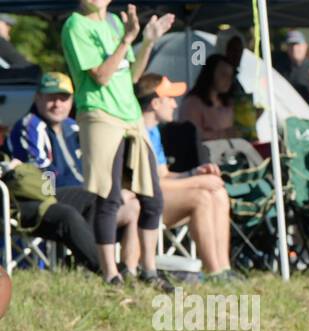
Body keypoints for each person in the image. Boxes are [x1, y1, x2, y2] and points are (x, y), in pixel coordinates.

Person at [61, 0, 173, 288]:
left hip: (131, 116)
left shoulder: (112, 21)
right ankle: (111, 274)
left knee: (153, 198)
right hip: (100, 115)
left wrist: (147, 42)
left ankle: (149, 271)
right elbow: (101, 75)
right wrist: (126, 40)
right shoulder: (76, 25)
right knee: (109, 198)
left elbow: (132, 76)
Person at [5, 70, 141, 274]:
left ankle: (132, 269)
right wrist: (62, 193)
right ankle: (106, 270)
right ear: (38, 97)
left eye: (63, 98)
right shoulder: (31, 125)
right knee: (89, 203)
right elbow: (42, 172)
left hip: (75, 193)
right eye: (51, 97)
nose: (57, 104)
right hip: (37, 196)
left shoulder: (73, 126)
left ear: (72, 100)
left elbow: (93, 164)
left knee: (128, 205)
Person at [137, 74, 233, 279]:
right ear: (155, 103)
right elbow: (151, 185)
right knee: (202, 196)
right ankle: (213, 271)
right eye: (169, 99)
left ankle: (224, 269)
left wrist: (193, 173)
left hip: (161, 197)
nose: (174, 104)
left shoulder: (154, 132)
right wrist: (197, 181)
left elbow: (164, 175)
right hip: (144, 206)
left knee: (219, 194)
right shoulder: (138, 133)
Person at [179, 53, 239, 142]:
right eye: (223, 75)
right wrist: (223, 134)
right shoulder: (192, 103)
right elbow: (190, 135)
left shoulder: (227, 103)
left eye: (230, 76)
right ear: (210, 73)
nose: (228, 80)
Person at [275, 30, 309, 113]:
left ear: (305, 46)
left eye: (297, 44)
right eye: (291, 45)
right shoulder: (280, 68)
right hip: (286, 115)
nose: (294, 48)